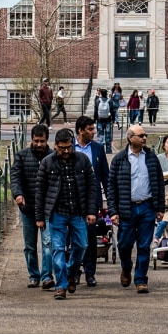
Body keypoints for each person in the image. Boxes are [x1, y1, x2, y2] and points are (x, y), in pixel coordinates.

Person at [36, 127, 98, 300]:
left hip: (78, 212)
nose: (65, 151)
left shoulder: (82, 160)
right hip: (57, 213)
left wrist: (92, 211)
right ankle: (61, 285)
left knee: (82, 245)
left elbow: (92, 187)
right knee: (58, 249)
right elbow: (40, 192)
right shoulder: (47, 163)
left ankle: (71, 271)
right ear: (55, 145)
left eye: (69, 147)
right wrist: (40, 217)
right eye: (62, 147)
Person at [108, 124, 164, 293]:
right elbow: (112, 187)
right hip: (127, 208)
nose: (144, 138)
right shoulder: (120, 159)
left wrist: (160, 207)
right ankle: (126, 267)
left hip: (147, 206)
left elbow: (159, 183)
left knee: (144, 245)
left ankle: (141, 279)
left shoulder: (151, 158)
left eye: (145, 135)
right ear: (130, 138)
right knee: (124, 244)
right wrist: (113, 211)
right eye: (141, 136)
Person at [9, 123, 54, 288]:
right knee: (29, 245)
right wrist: (18, 194)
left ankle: (47, 276)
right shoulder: (22, 156)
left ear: (47, 140)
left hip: (48, 209)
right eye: (36, 141)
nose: (39, 144)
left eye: (42, 141)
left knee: (48, 243)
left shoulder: (53, 156)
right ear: (31, 140)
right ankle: (33, 274)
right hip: (28, 208)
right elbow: (15, 176)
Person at [69, 116, 110, 289]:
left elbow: (105, 178)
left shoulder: (98, 149)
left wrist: (109, 204)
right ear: (80, 130)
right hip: (71, 199)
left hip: (91, 200)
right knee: (73, 238)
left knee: (90, 238)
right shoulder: (67, 146)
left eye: (94, 129)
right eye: (90, 129)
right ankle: (74, 271)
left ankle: (90, 272)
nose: (94, 132)